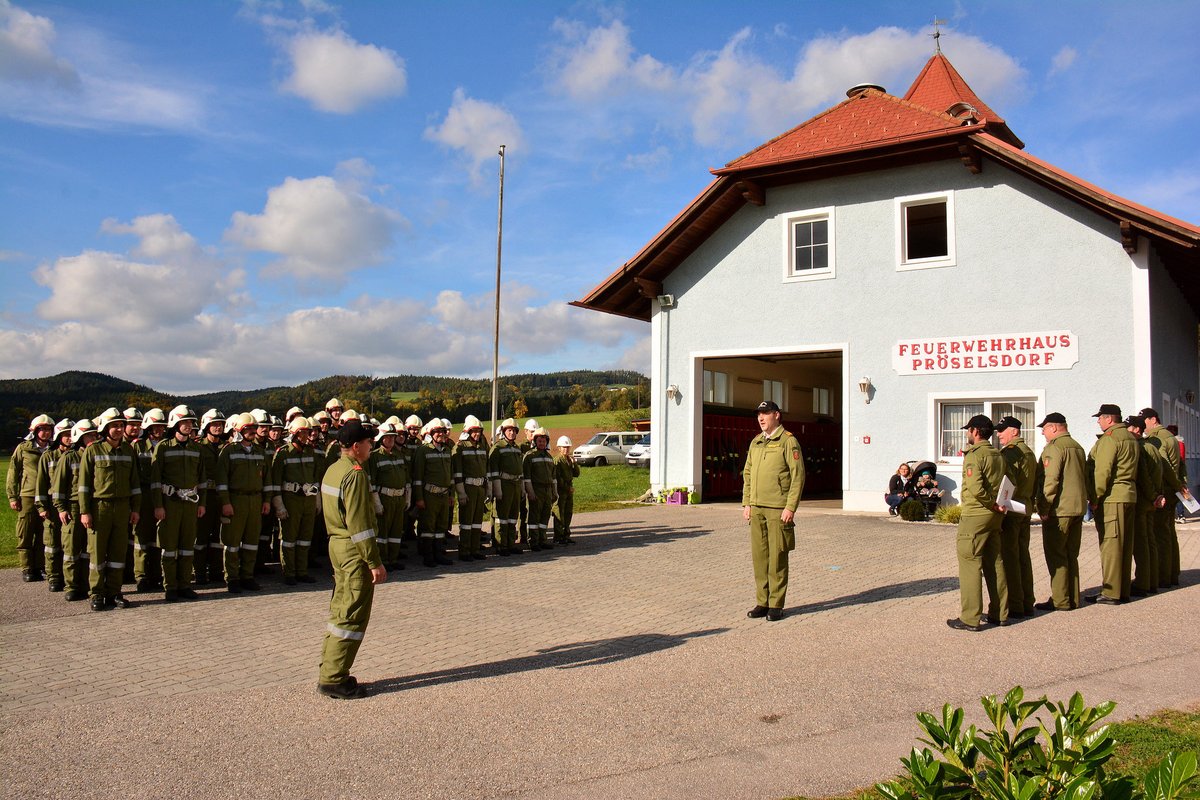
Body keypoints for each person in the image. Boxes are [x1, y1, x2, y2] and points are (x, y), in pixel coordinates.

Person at [317, 419, 387, 700]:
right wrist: (374, 561)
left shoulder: (333, 470)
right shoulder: (356, 474)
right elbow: (361, 525)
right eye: (369, 442)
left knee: (340, 610)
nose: (372, 446)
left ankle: (330, 668)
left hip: (337, 545)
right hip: (353, 550)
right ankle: (334, 679)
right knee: (352, 614)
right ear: (356, 447)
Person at [741, 400, 805, 622]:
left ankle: (776, 604)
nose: (761, 418)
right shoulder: (756, 442)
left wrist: (790, 506)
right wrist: (747, 503)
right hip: (757, 507)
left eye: (765, 413)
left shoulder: (788, 441)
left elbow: (798, 476)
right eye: (759, 414)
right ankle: (762, 601)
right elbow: (747, 474)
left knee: (777, 557)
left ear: (776, 415)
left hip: (778, 509)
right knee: (760, 558)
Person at [946, 414, 1006, 632]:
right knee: (995, 563)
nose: (966, 434)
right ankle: (1000, 613)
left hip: (976, 515)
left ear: (975, 431)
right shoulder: (997, 454)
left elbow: (975, 487)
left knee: (970, 564)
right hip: (994, 515)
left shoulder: (975, 455)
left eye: (968, 430)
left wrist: (991, 504)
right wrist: (997, 506)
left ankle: (970, 617)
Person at [78, 408, 141, 611]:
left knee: (118, 552)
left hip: (123, 507)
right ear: (105, 428)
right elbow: (84, 485)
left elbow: (135, 484)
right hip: (99, 507)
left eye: (121, 426)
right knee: (97, 553)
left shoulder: (128, 451)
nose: (119, 429)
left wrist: (135, 509)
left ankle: (115, 592)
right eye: (114, 426)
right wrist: (85, 511)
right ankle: (96, 593)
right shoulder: (93, 450)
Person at [1033, 412, 1088, 611]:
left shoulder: (1055, 448)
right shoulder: (1077, 446)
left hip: (1059, 509)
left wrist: (1043, 507)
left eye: (1045, 429)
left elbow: (1050, 480)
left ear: (1054, 427)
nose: (1043, 433)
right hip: (1077, 508)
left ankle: (1060, 599)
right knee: (1071, 554)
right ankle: (1072, 598)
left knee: (1057, 555)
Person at [151, 406, 206, 602]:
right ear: (175, 424)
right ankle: (170, 586)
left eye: (191, 423)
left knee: (187, 546)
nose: (188, 426)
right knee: (169, 547)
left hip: (190, 504)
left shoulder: (196, 448)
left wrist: (202, 504)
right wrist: (158, 506)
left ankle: (185, 585)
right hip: (170, 503)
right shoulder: (164, 447)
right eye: (185, 423)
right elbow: (156, 480)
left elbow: (202, 479)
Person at [1085, 404, 1138, 604]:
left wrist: (1095, 497)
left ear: (1109, 419)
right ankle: (1122, 589)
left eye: (1100, 418)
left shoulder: (1110, 438)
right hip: (1128, 494)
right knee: (1124, 545)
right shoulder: (1130, 438)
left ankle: (1111, 592)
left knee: (1111, 545)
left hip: (1112, 496)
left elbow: (1102, 471)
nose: (1098, 421)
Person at [216, 413, 270, 593]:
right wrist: (225, 502)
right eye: (248, 429)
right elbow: (222, 480)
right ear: (239, 430)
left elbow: (267, 480)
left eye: (254, 429)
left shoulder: (260, 452)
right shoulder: (228, 451)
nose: (252, 432)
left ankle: (247, 575)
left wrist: (267, 501)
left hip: (255, 499)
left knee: (251, 541)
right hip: (235, 499)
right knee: (232, 542)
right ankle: (231, 578)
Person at [1141, 408, 1188, 587]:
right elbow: (1181, 465)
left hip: (1164, 490)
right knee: (1169, 533)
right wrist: (1182, 484)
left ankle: (1163, 576)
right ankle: (1172, 573)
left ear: (1153, 419)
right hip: (1173, 489)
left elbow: (1163, 466)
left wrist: (1175, 485)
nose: (1143, 426)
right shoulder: (1170, 436)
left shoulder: (1157, 438)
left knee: (1160, 534)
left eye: (1144, 421)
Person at [52, 419, 97, 601]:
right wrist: (61, 508)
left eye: (95, 435)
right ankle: (71, 586)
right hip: (72, 506)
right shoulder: (69, 457)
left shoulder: (96, 455)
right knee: (71, 548)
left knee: (88, 548)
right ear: (79, 437)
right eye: (89, 436)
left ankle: (85, 584)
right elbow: (58, 486)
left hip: (91, 506)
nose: (93, 439)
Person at [996, 416, 1036, 619]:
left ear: (1014, 431)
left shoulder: (1011, 453)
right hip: (1025, 507)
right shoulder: (1028, 451)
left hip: (1012, 509)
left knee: (1010, 558)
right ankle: (1027, 600)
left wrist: (999, 506)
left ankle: (1016, 604)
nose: (999, 434)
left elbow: (1007, 483)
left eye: (1002, 430)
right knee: (1022, 556)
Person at [7, 414, 54, 582]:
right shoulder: (24, 448)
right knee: (26, 531)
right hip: (28, 494)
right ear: (35, 431)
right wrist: (13, 496)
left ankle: (40, 566)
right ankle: (27, 568)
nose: (46, 433)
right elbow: (13, 472)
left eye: (49, 429)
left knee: (44, 533)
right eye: (42, 429)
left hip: (48, 496)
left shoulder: (53, 449)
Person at [1125, 415, 1164, 596]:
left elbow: (1144, 478)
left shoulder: (1140, 448)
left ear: (1136, 430)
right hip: (1151, 500)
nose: (1126, 431)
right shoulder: (1152, 447)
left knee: (1141, 545)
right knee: (1150, 542)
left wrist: (1152, 496)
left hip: (1143, 501)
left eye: (1129, 428)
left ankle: (1142, 583)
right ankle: (1152, 580)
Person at [35, 418, 74, 592]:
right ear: (59, 437)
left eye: (71, 434)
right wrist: (42, 507)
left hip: (71, 505)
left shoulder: (76, 455)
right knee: (52, 543)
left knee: (69, 544)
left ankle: (68, 577)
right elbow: (41, 483)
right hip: (52, 506)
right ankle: (54, 577)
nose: (69, 438)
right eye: (65, 435)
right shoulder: (49, 456)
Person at [368, 421, 410, 570]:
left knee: (396, 531)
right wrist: (376, 503)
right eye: (388, 437)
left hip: (398, 498)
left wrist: (407, 497)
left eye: (393, 437)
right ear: (381, 438)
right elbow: (371, 482)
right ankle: (383, 560)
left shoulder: (399, 455)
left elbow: (406, 477)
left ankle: (393, 559)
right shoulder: (374, 457)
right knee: (383, 532)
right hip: (384, 498)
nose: (391, 440)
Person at [412, 419, 454, 567]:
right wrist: (419, 498)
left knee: (441, 526)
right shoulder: (423, 451)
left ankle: (439, 553)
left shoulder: (447, 450)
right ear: (431, 434)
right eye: (438, 432)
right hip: (429, 495)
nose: (441, 434)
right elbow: (417, 478)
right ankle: (428, 556)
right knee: (428, 527)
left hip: (443, 495)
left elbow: (451, 475)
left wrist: (451, 495)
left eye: (443, 432)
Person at [452, 416, 489, 561]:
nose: (477, 434)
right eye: (474, 431)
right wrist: (461, 492)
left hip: (480, 488)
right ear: (468, 431)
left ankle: (475, 549)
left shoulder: (481, 446)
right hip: (468, 488)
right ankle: (464, 551)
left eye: (479, 431)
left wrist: (488, 488)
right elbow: (458, 473)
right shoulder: (460, 447)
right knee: (466, 523)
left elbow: (486, 469)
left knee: (477, 522)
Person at [488, 419, 525, 556]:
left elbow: (520, 470)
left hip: (515, 485)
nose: (512, 433)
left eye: (514, 430)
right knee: (501, 517)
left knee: (512, 517)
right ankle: (500, 545)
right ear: (504, 432)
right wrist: (496, 488)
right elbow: (493, 470)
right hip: (503, 484)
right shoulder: (498, 448)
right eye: (509, 430)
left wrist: (522, 488)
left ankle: (510, 544)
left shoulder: (516, 448)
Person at [522, 427, 558, 551]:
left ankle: (543, 540)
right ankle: (533, 541)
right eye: (539, 441)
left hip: (547, 491)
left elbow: (553, 477)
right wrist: (530, 491)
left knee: (545, 516)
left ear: (546, 442)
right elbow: (526, 477)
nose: (541, 443)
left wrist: (554, 492)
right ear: (535, 442)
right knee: (534, 517)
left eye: (543, 441)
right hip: (536, 490)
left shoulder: (549, 457)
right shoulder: (529, 456)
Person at [552, 435, 580, 545]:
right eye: (563, 447)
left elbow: (577, 474)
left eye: (567, 447)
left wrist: (574, 463)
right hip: (561, 490)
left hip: (568, 490)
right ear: (559, 448)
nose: (566, 449)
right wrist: (568, 488)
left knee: (568, 513)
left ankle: (566, 534)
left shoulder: (569, 460)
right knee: (559, 513)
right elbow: (558, 478)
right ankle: (558, 536)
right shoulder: (557, 461)